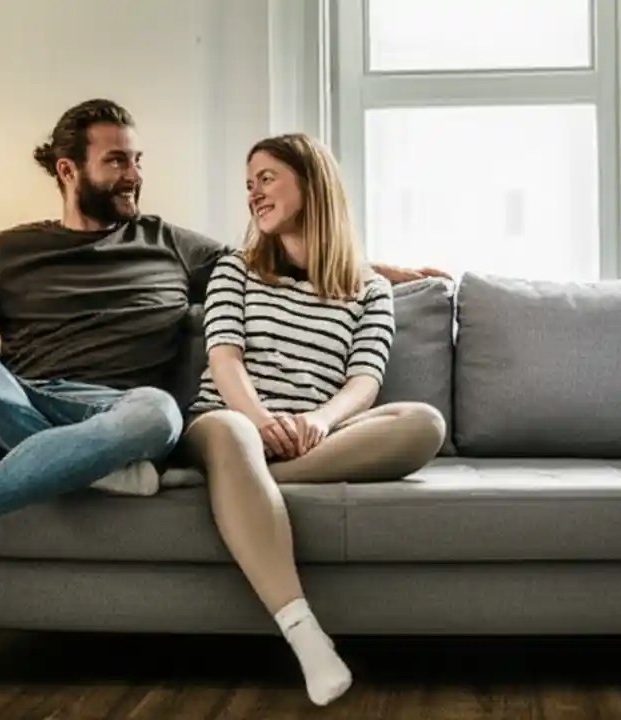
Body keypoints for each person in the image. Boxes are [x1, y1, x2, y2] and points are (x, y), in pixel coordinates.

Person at [0, 99, 444, 683]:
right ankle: (93, 468)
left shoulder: (169, 243)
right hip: (15, 401)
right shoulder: (9, 250)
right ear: (69, 170)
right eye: (117, 161)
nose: (134, 175)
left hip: (117, 412)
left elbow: (285, 254)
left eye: (138, 160)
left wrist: (385, 271)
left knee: (158, 409)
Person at [179, 133, 448, 706]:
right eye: (249, 182)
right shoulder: (237, 268)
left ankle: (235, 489)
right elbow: (224, 358)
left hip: (311, 439)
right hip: (226, 423)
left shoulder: (369, 289)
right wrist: (258, 420)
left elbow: (364, 383)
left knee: (423, 422)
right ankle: (306, 638)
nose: (253, 192)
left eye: (267, 177)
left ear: (311, 181)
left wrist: (320, 422)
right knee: (229, 434)